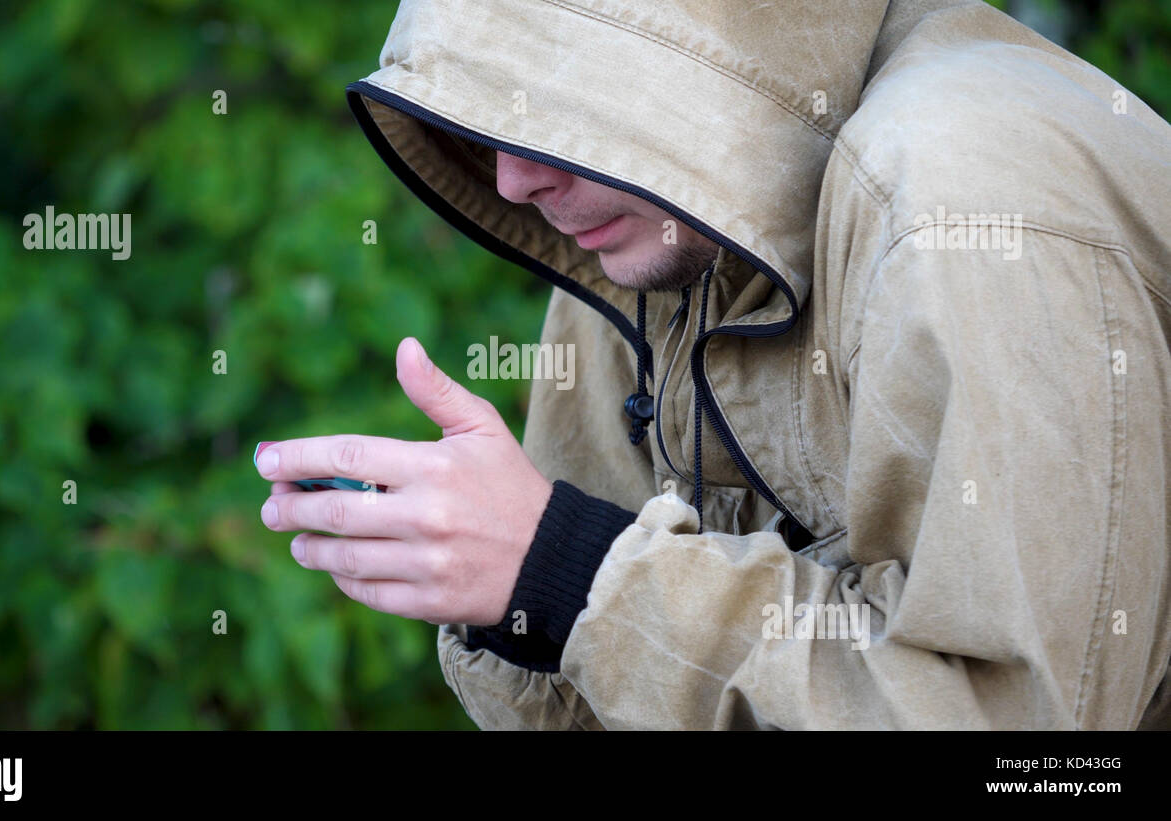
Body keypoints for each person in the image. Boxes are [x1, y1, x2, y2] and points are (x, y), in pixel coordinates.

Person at [255, 0, 1171, 729]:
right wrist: (515, 601)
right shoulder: (647, 239)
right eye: (490, 120)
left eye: (540, 104)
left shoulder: (965, 206)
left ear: (694, 42)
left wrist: (570, 577)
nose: (512, 182)